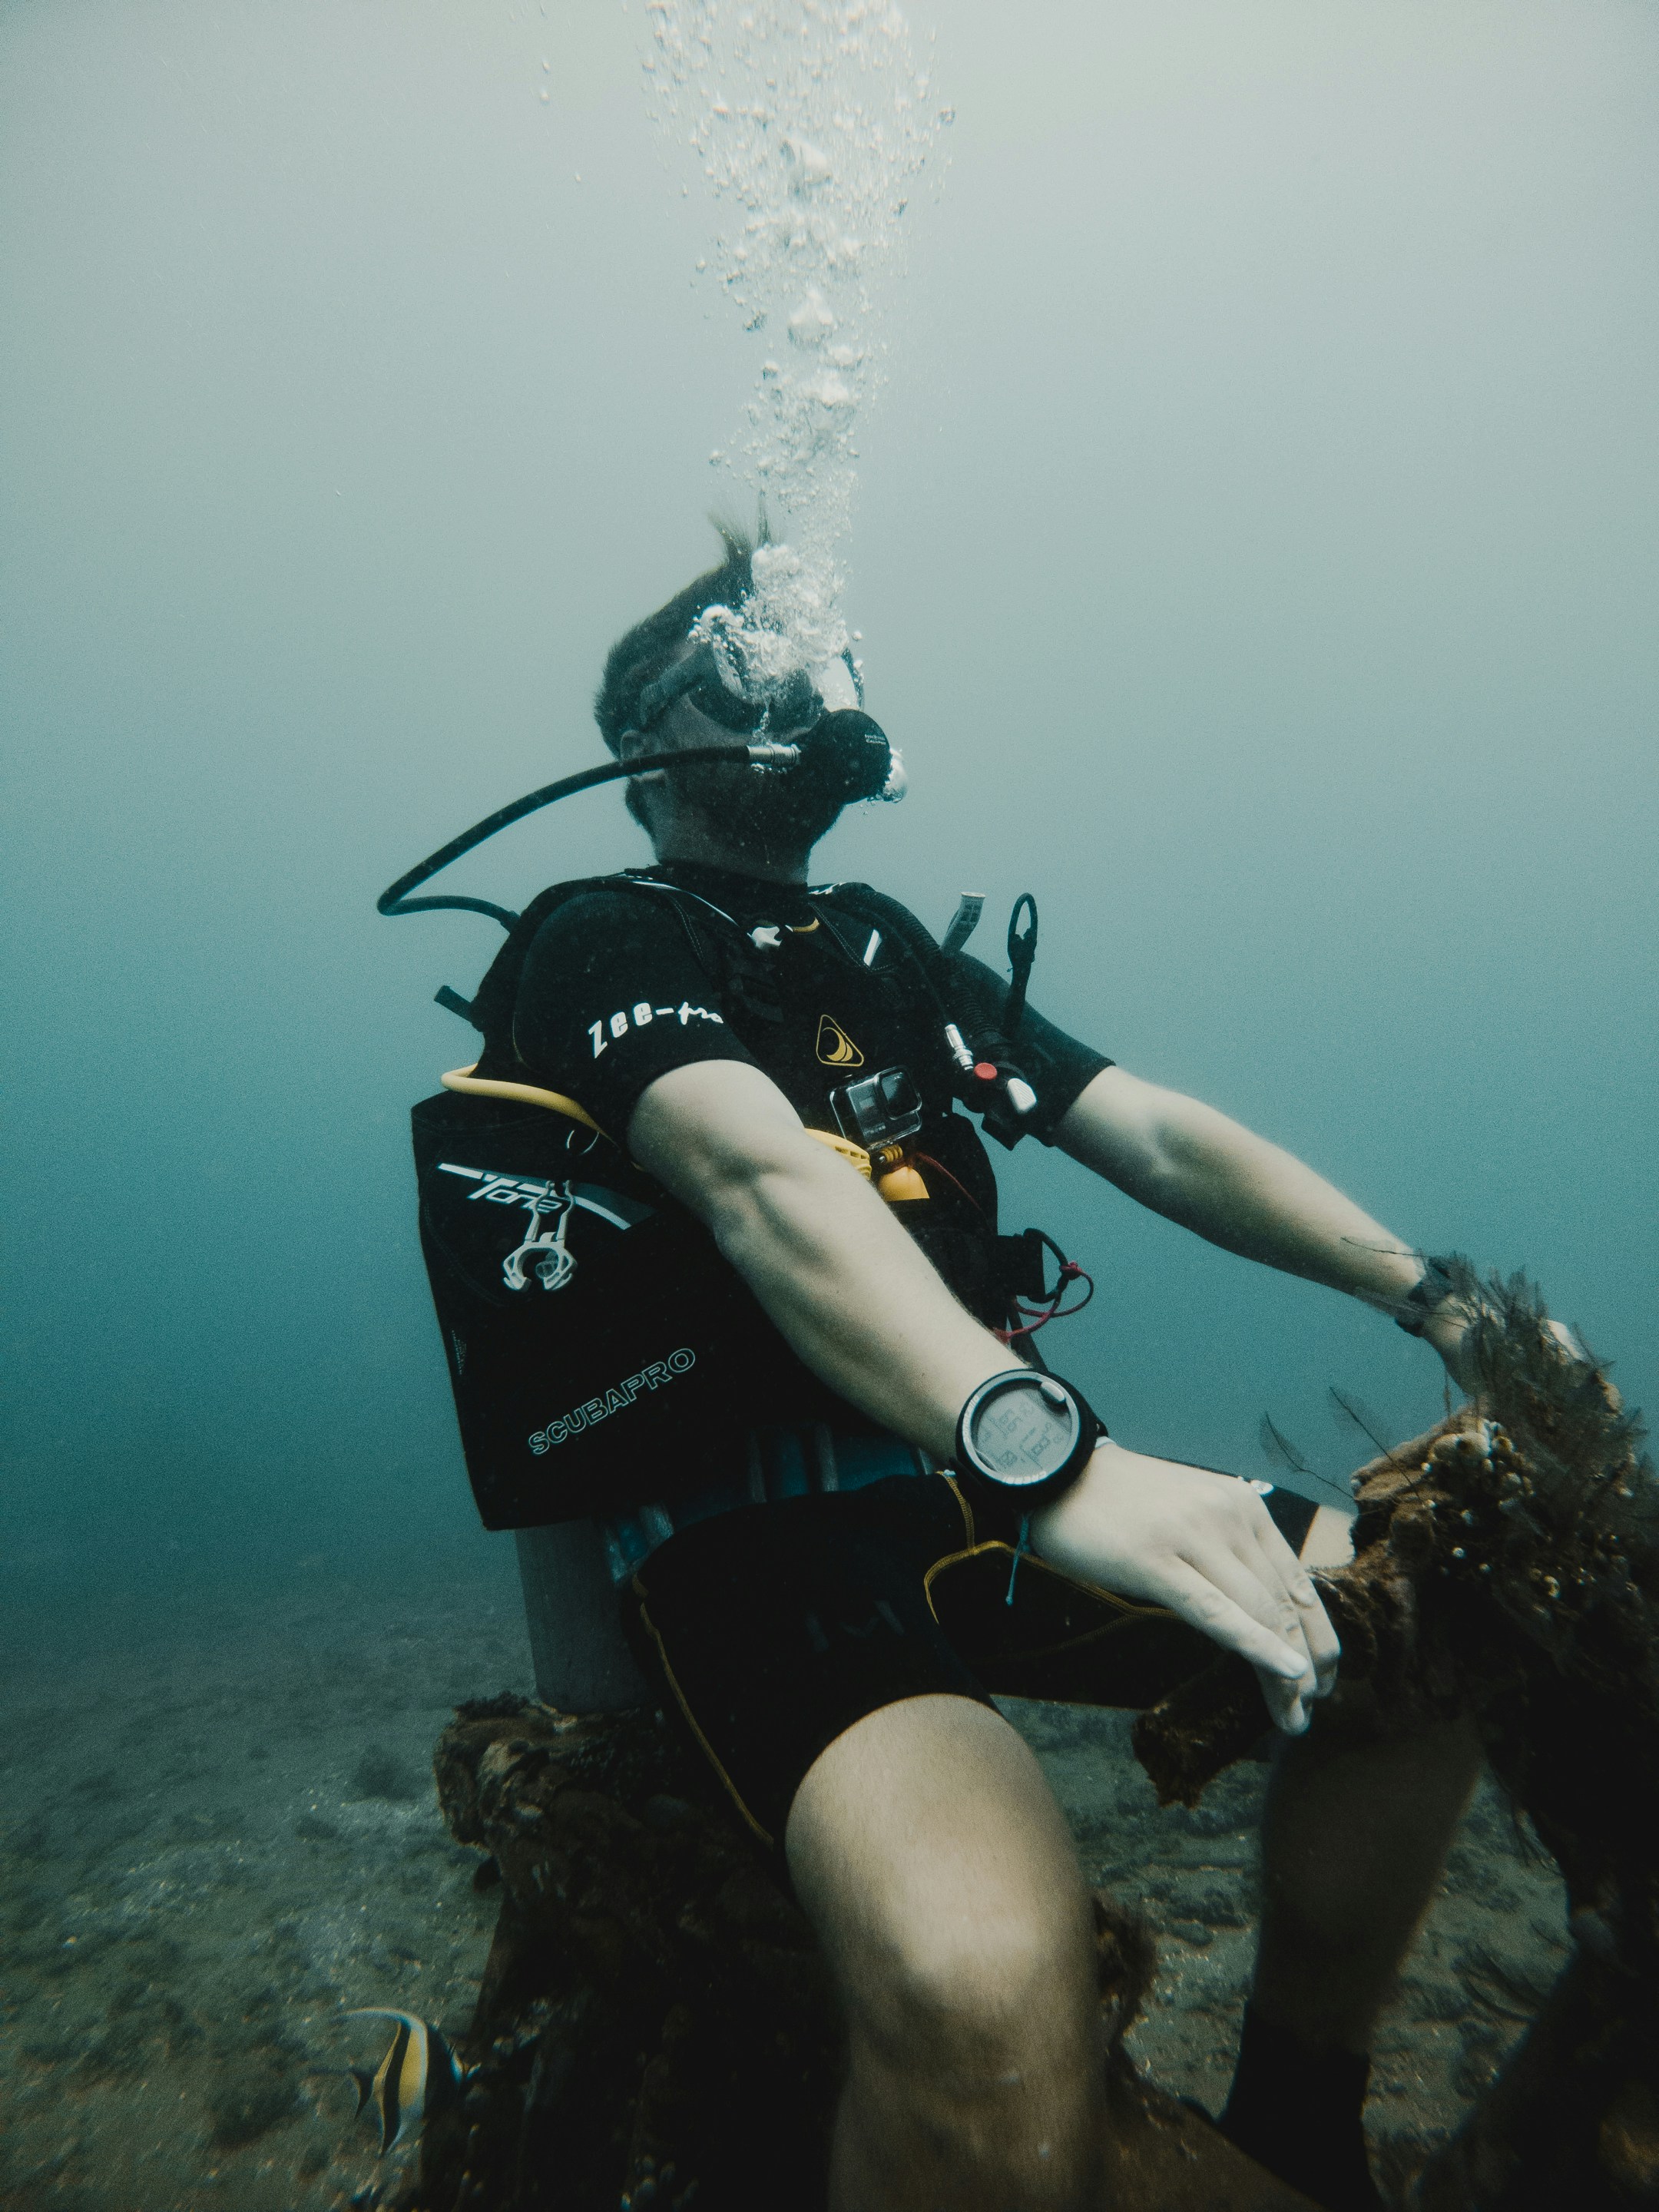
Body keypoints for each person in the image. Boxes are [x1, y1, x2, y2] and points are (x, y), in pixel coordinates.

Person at [420, 531, 1492, 2212]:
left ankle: (1299, 2127)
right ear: (653, 738)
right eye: (751, 664)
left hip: (981, 1494)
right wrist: (1055, 1462)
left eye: (813, 659)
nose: (808, 692)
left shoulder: (884, 949)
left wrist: (1431, 1294)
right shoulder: (597, 936)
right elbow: (757, 1181)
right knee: (986, 2000)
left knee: (1425, 1640)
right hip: (763, 1546)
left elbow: (1148, 1131)